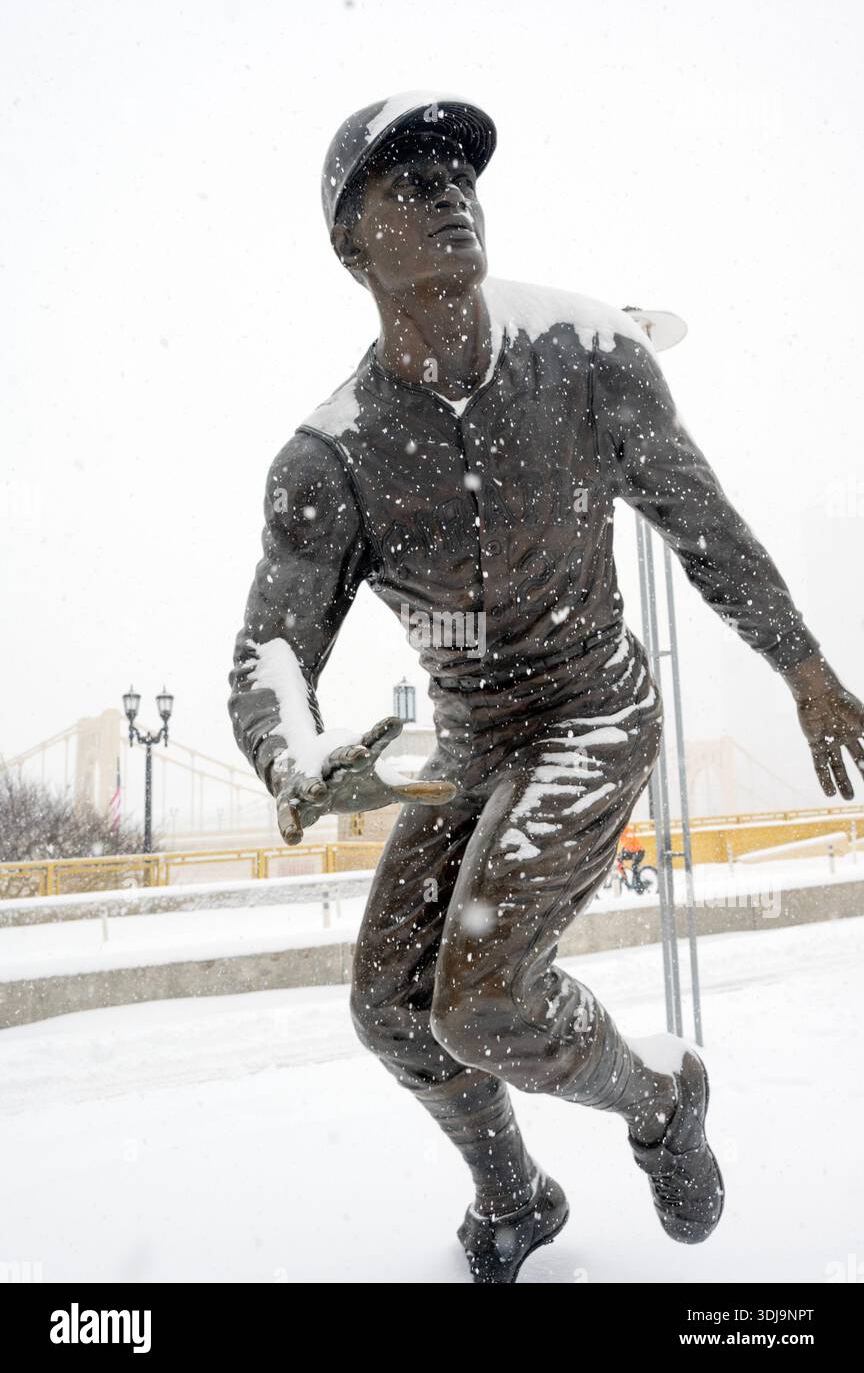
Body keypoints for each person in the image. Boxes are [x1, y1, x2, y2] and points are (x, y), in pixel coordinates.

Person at [227, 92, 864, 1282]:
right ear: (354, 245)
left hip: (593, 706)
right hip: (473, 740)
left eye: (458, 177)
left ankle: (663, 1096)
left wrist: (807, 666)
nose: (449, 196)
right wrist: (297, 761)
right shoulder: (330, 459)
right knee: (386, 1011)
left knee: (479, 1002)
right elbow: (266, 663)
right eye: (408, 186)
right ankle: (515, 1199)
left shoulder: (587, 357)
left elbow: (704, 527)